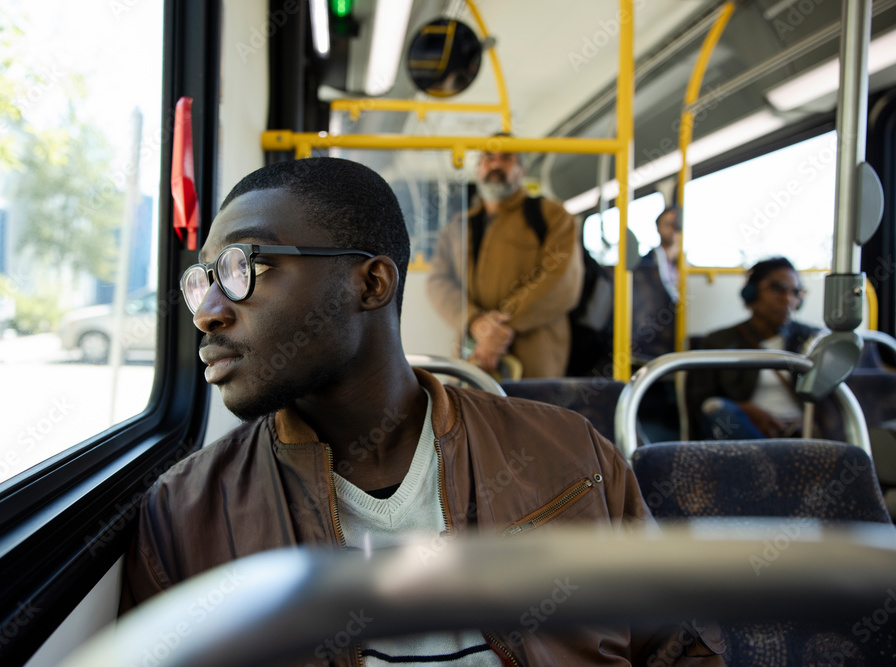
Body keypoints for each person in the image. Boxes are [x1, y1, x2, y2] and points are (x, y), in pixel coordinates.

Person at [121, 157, 724, 665]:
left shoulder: (569, 454)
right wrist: (476, 321)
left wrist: (505, 320)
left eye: (244, 268)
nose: (207, 312)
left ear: (372, 283)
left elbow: (670, 650)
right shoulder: (185, 513)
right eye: (204, 280)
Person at [427, 138, 584, 378]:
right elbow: (437, 281)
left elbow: (563, 278)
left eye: (507, 158)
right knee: (469, 412)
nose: (496, 164)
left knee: (530, 414)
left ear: (521, 170)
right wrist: (475, 321)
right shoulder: (457, 226)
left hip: (534, 357)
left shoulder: (552, 216)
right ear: (478, 168)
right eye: (488, 158)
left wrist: (499, 329)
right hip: (472, 353)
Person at [685, 257, 820, 440]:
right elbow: (701, 402)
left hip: (799, 434)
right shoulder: (719, 342)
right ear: (751, 292)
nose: (788, 299)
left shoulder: (812, 340)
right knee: (718, 409)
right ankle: (763, 460)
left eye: (795, 292)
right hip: (747, 433)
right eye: (778, 288)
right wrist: (744, 409)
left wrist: (807, 420)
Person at [638, 206, 681, 303]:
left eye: (676, 225)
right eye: (668, 224)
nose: (673, 229)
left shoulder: (688, 267)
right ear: (658, 228)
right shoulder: (644, 264)